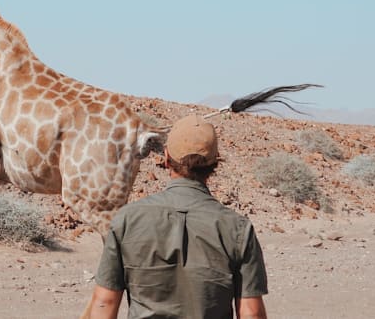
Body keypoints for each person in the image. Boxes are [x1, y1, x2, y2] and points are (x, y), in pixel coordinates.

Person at [89, 115, 268, 319]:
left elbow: (104, 303)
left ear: (166, 157)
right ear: (215, 163)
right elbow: (251, 313)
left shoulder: (127, 219)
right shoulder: (238, 228)